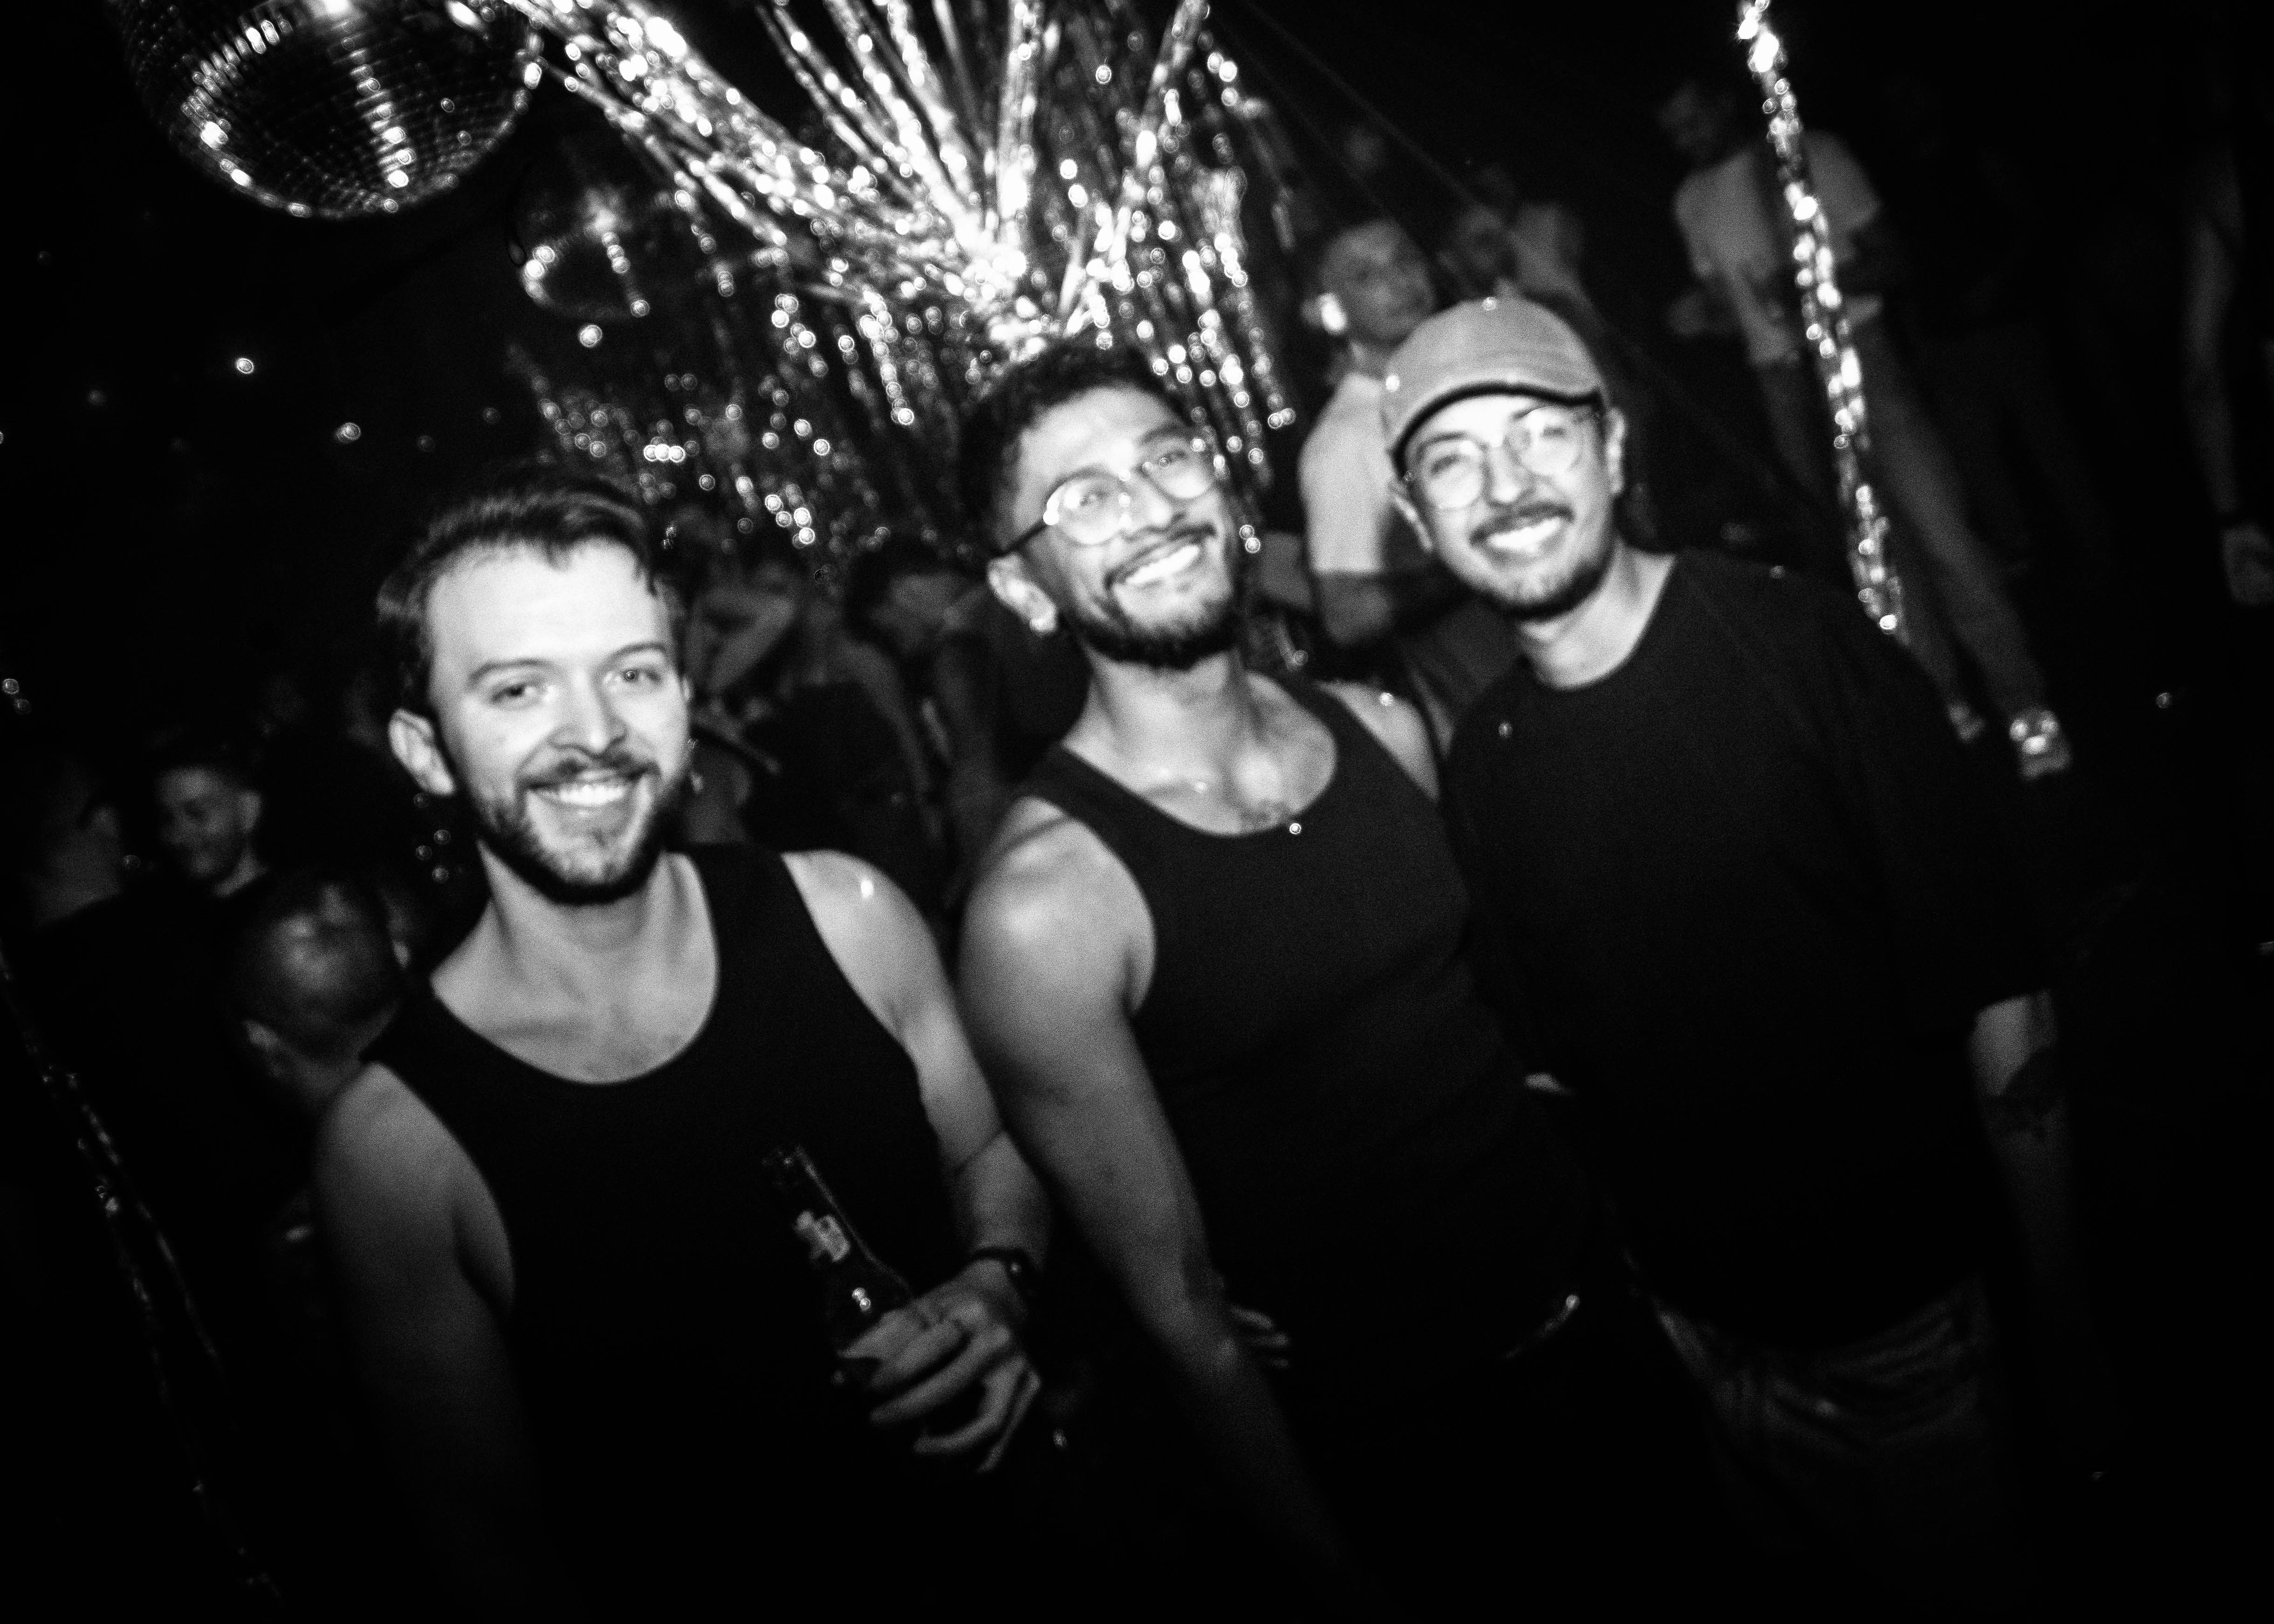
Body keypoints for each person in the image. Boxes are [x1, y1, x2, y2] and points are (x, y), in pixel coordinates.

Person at [1384, 296, 2118, 1607]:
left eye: (1539, 435)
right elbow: (1558, 1064)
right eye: (1453, 461)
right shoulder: (1486, 758)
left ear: (1613, 448)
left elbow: (2006, 1003)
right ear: (1415, 517)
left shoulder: (1804, 651)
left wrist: (2059, 1329)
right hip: (1698, 1343)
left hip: (1906, 1342)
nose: (1505, 487)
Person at [953, 341, 1697, 1611]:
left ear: (1228, 490)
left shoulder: (1384, 725)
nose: (1151, 507)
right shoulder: (1046, 907)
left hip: (1616, 1346)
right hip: (1414, 1461)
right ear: (1024, 589)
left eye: (1168, 456)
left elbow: (1497, 1041)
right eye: (1083, 499)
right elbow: (1183, 1314)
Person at [314, 472, 1051, 1610]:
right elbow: (492, 1557)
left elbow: (989, 1153)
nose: (596, 734)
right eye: (519, 690)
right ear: (424, 751)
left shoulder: (847, 917)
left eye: (635, 674)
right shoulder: (399, 1147)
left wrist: (998, 1286)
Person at [1657, 72, 2074, 779]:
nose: (1687, 140)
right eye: (1674, 132)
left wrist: (1819, 280)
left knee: (1942, 534)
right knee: (1875, 559)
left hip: (1862, 358)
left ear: (1723, 107)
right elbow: (1732, 307)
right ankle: (1942, 702)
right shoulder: (1691, 201)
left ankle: (2024, 704)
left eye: (1694, 120)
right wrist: (1702, 317)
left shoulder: (1814, 153)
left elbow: (1892, 259)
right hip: (1783, 385)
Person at [1298, 219, 1517, 743]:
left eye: (1403, 260)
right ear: (1331, 310)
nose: (1396, 281)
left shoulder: (1471, 375)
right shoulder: (1346, 439)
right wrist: (1468, 557)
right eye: (1366, 274)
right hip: (1492, 700)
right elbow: (1345, 614)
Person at [149, 732, 270, 902]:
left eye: (198, 813)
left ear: (247, 810)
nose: (177, 837)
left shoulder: (299, 910)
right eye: (167, 819)